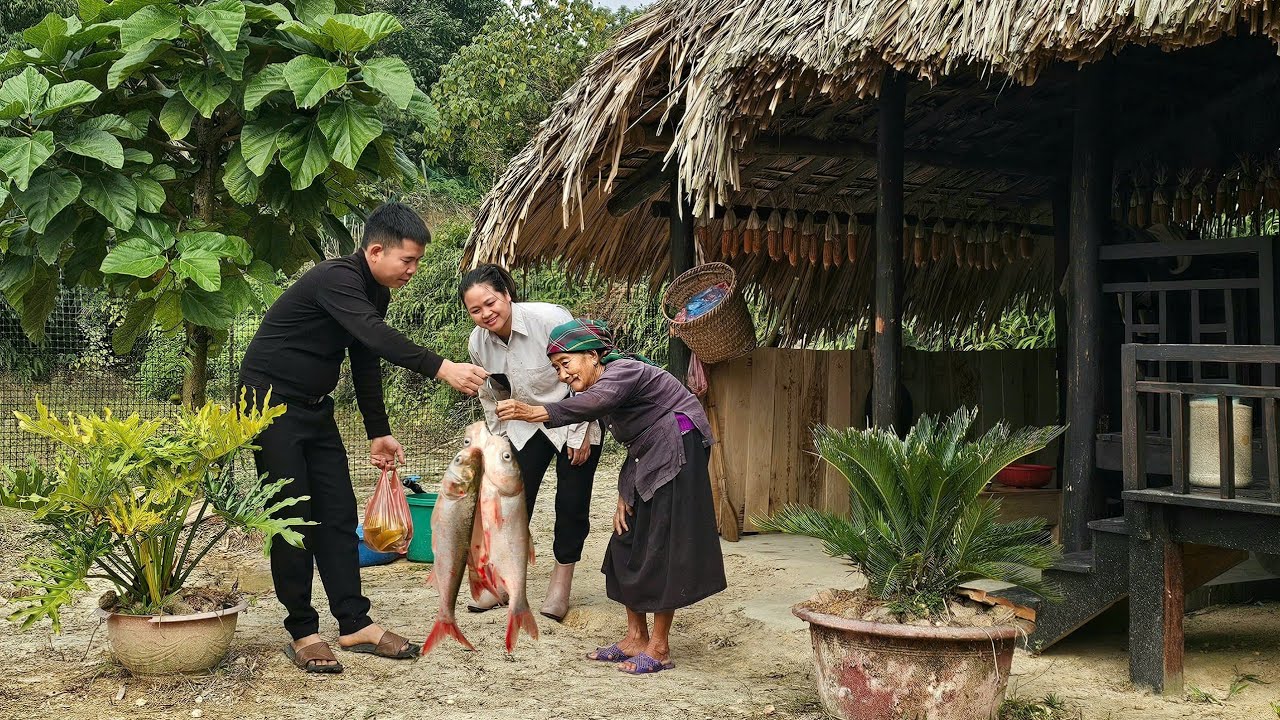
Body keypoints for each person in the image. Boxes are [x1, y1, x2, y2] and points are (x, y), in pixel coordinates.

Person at [238, 203, 489, 674]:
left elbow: (365, 356)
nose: (413, 270)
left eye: (416, 262)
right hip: (268, 404)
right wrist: (441, 367)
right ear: (375, 251)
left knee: (337, 513)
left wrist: (379, 432)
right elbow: (375, 336)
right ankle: (303, 630)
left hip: (315, 407)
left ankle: (354, 623)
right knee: (292, 517)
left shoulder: (375, 291)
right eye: (407, 260)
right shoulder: (336, 278)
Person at [496, 319, 726, 675]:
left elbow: (592, 403)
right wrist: (625, 491)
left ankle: (659, 648)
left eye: (565, 363)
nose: (562, 375)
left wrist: (533, 412)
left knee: (662, 542)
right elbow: (631, 441)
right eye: (556, 368)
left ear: (593, 355)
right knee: (626, 536)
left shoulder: (623, 371)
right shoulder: (605, 387)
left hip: (680, 445)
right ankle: (635, 637)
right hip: (647, 453)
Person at [460, 265, 602, 621]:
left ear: (507, 295)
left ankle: (560, 585)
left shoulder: (549, 319)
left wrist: (581, 431)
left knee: (571, 502)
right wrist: (498, 441)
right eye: (475, 310)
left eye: (490, 303)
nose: (485, 314)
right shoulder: (479, 343)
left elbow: (585, 374)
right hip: (524, 424)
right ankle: (502, 582)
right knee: (511, 502)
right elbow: (490, 394)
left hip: (574, 414)